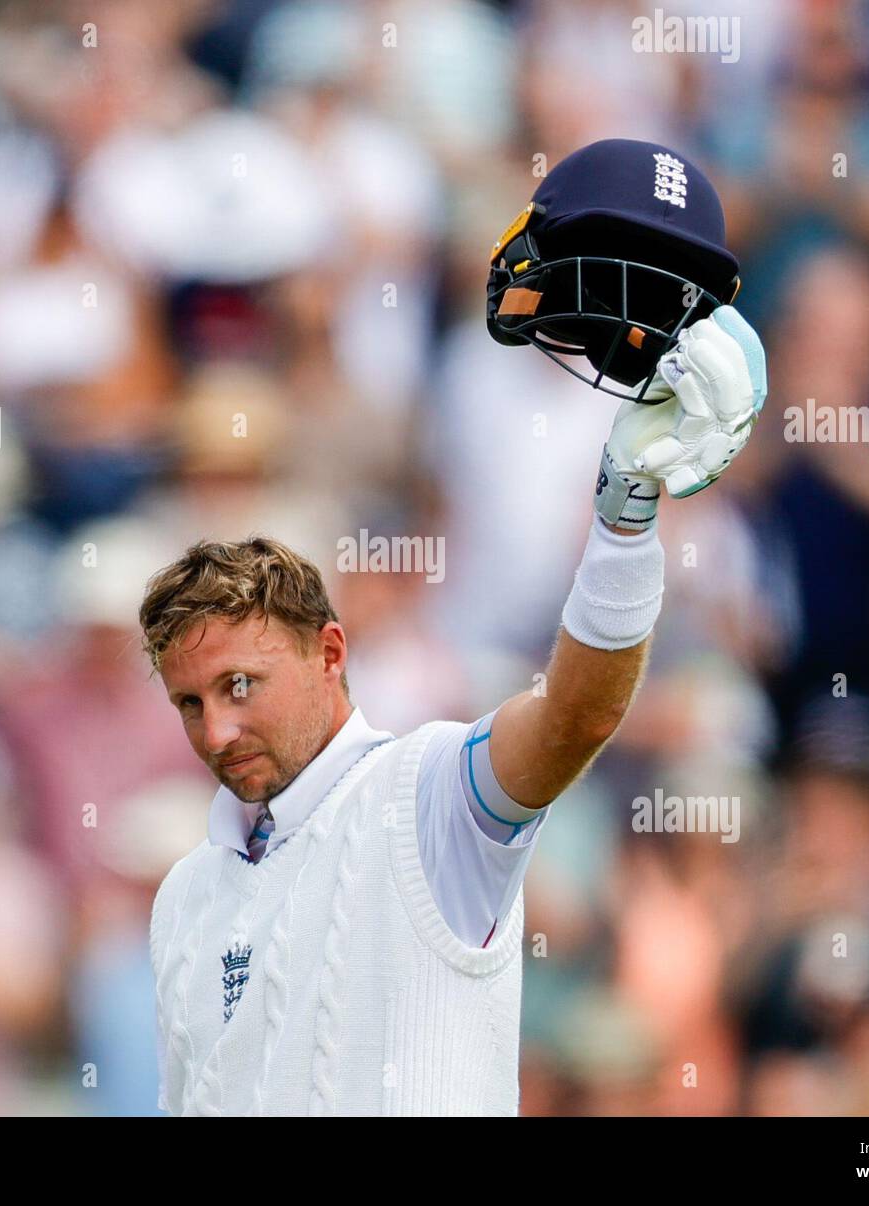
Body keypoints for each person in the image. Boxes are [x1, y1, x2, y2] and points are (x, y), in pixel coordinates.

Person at [143, 139, 767, 1115]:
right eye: (191, 702)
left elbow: (575, 718)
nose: (216, 729)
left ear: (332, 654)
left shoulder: (425, 794)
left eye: (241, 687)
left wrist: (625, 515)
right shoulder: (184, 892)